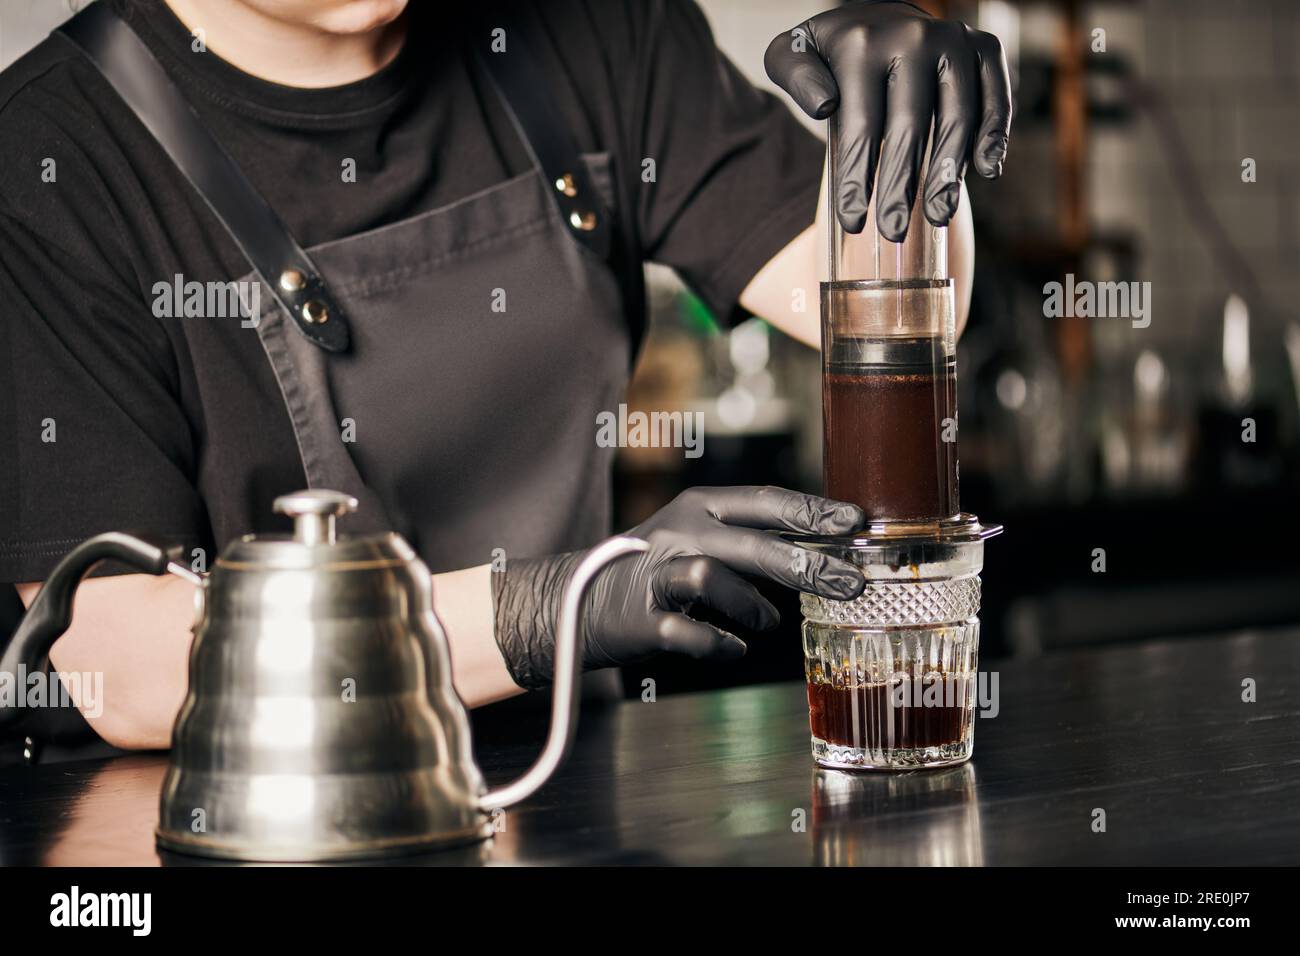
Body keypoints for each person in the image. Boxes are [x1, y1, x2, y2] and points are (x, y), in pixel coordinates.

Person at [0, 0, 1010, 749]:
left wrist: (914, 145)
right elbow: (121, 661)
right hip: (245, 824)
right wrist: (548, 607)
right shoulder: (49, 159)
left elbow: (886, 298)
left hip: (577, 799)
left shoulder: (590, 29)